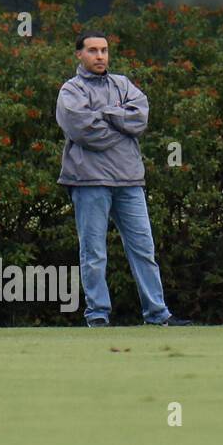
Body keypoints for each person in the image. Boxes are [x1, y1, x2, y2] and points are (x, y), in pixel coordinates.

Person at [56, 31, 188, 327]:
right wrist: (119, 124)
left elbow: (139, 118)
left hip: (129, 181)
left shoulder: (123, 84)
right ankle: (98, 315)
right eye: (92, 50)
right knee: (94, 252)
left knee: (144, 249)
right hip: (89, 181)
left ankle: (157, 315)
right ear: (79, 54)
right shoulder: (70, 91)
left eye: (104, 50)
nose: (100, 56)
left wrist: (103, 115)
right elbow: (82, 129)